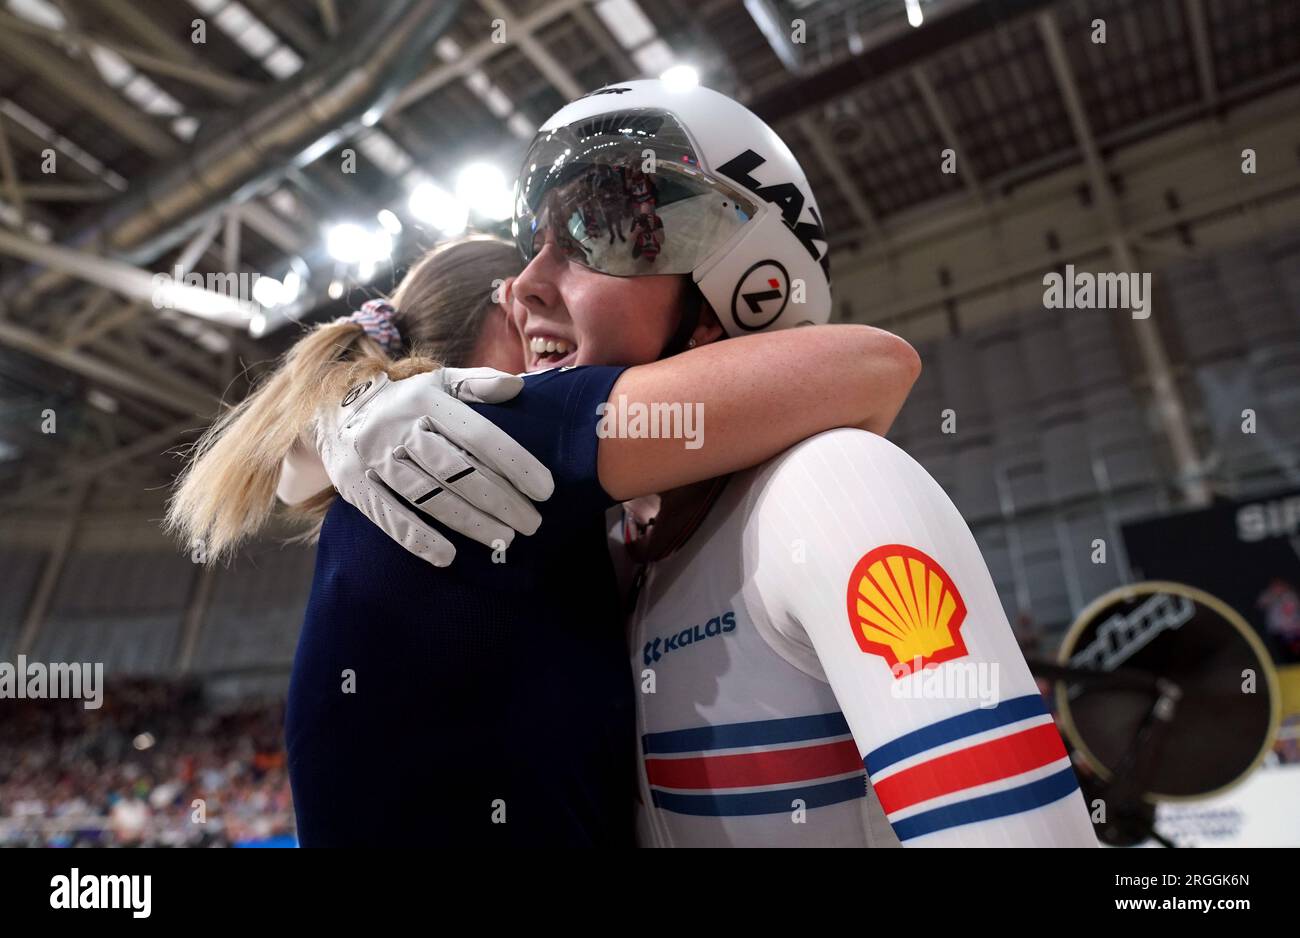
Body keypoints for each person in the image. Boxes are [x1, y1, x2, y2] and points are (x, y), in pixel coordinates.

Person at [317, 80, 1098, 847]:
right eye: (537, 243)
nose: (523, 287)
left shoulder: (835, 489)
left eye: (602, 234)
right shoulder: (609, 564)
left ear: (742, 297)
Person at [167, 235, 921, 846]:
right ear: (503, 317)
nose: (545, 306)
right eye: (530, 295)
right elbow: (871, 367)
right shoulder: (499, 431)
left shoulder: (409, 468)